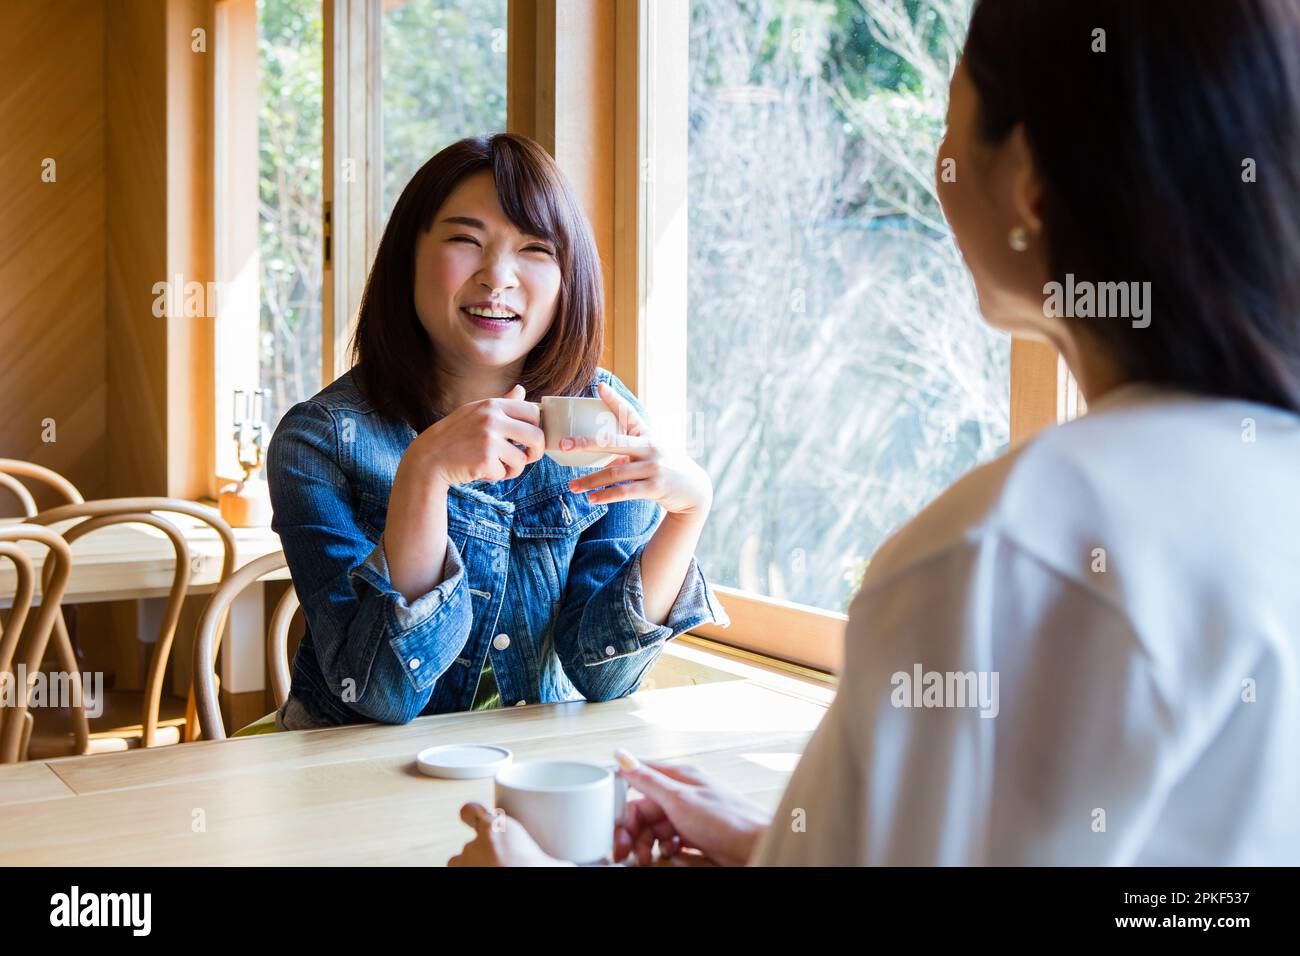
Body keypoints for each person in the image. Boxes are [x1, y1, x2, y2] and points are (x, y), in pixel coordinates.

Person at [450, 0, 1300, 865]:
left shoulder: (995, 556)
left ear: (1029, 186)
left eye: (951, 119)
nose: (939, 164)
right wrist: (777, 851)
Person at [266, 133, 729, 729]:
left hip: (527, 780)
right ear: (408, 255)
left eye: (535, 249)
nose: (498, 277)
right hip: (350, 787)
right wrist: (424, 475)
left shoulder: (594, 414)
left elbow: (604, 674)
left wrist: (689, 513)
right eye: (465, 240)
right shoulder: (321, 441)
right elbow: (380, 694)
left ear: (568, 276)